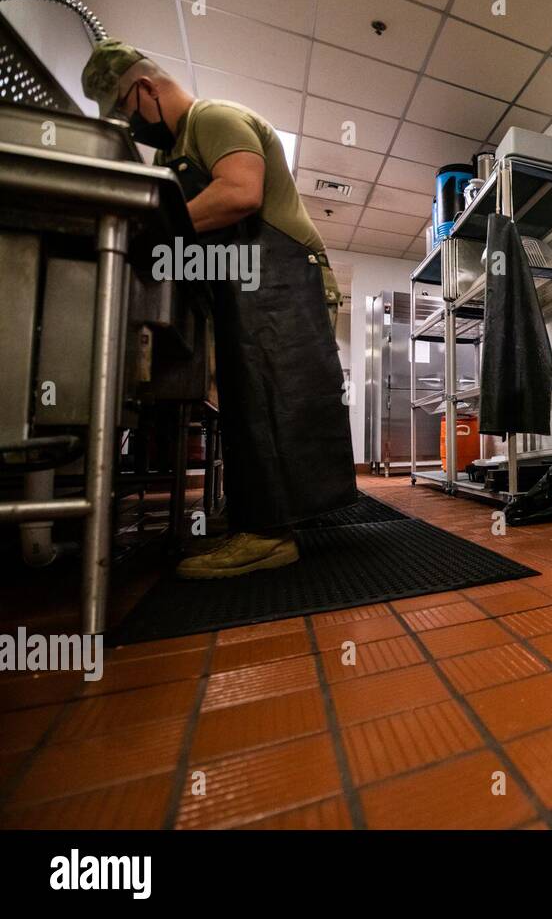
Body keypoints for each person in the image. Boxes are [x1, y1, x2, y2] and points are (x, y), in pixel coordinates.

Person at [82, 39, 357, 579]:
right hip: (247, 279)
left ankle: (271, 534)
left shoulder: (214, 117)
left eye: (124, 112)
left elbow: (240, 193)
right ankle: (263, 515)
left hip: (282, 270)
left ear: (144, 88)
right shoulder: (171, 150)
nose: (131, 127)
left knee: (275, 395)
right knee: (249, 398)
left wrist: (153, 235)